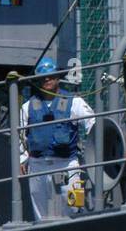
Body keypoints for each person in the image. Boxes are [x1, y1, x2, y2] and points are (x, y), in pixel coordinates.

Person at [19, 58, 95, 220]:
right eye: (43, 77)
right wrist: (22, 158)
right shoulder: (27, 107)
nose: (47, 79)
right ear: (37, 80)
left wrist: (93, 151)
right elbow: (20, 135)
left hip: (68, 164)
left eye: (51, 76)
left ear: (58, 77)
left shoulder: (74, 102)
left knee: (74, 207)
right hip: (38, 166)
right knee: (41, 214)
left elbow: (93, 124)